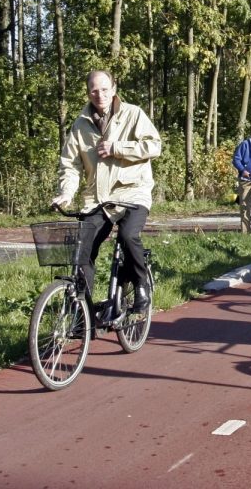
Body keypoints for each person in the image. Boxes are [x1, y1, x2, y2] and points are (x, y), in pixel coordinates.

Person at [52, 70, 161, 317]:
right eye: (93, 90)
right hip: (98, 198)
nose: (99, 94)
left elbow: (154, 146)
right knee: (83, 249)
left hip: (133, 192)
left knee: (128, 234)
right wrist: (66, 194)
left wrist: (117, 148)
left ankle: (140, 283)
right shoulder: (80, 124)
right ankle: (83, 313)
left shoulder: (133, 114)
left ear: (113, 89)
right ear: (88, 92)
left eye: (104, 89)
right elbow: (70, 164)